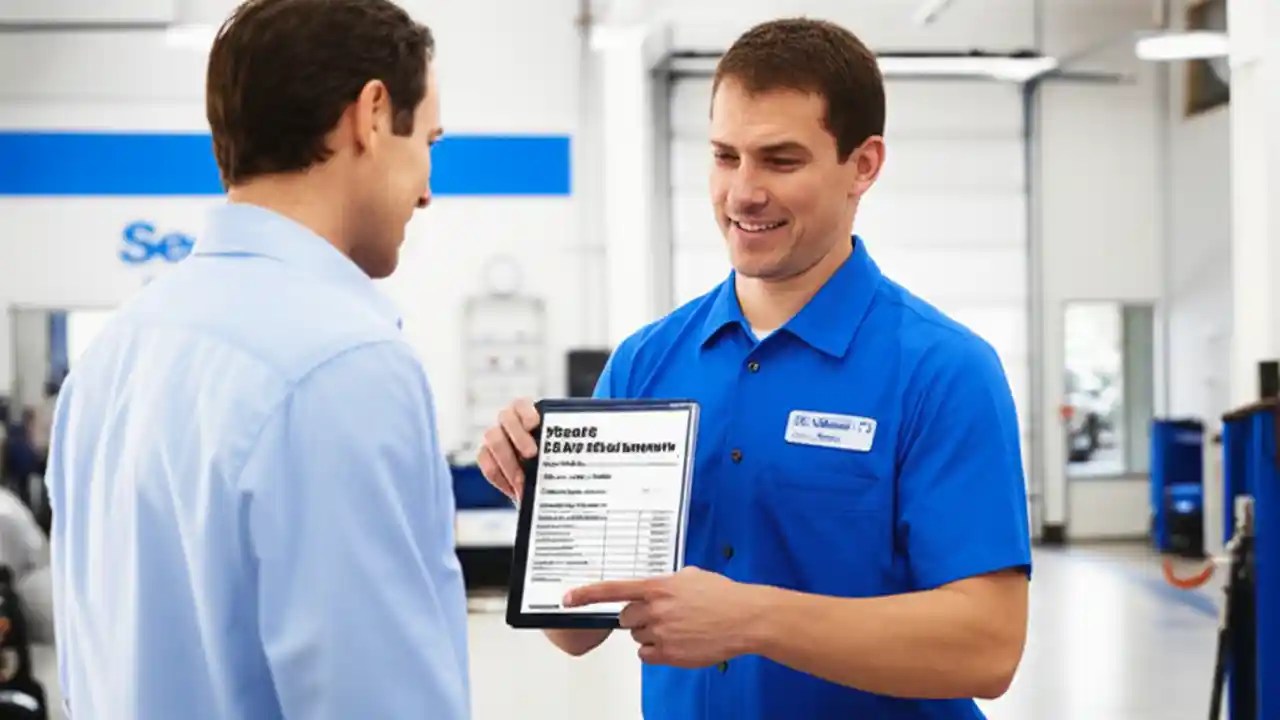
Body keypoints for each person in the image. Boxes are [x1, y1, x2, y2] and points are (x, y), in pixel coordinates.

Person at [479, 17, 1031, 719]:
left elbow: (986, 648)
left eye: (780, 160)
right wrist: (543, 502)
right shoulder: (648, 361)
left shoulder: (944, 373)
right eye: (724, 155)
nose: (742, 193)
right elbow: (573, 631)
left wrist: (751, 619)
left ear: (863, 165)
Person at [44, 1, 469, 718]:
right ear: (370, 116)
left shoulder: (113, 357)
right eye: (427, 141)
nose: (428, 189)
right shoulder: (344, 366)